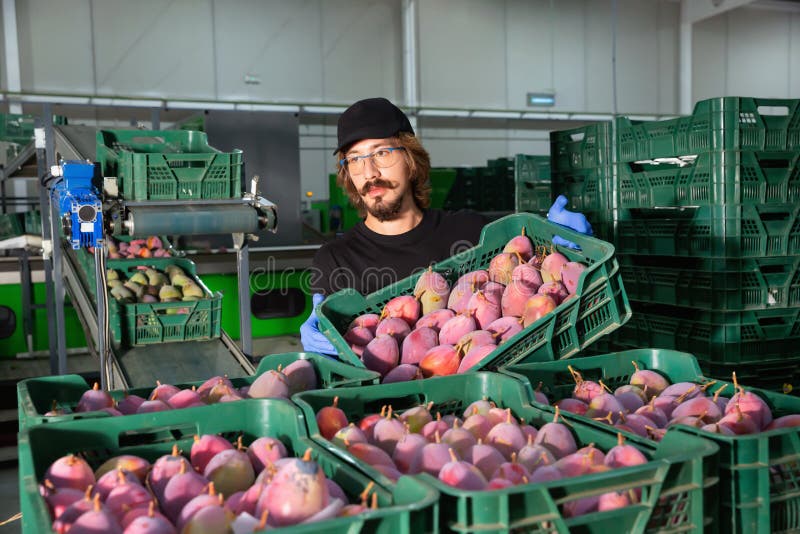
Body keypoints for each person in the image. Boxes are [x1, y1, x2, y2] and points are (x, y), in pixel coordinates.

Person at [300, 97, 591, 355]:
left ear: (410, 157)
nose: (369, 172)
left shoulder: (471, 232)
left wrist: (557, 237)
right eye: (355, 160)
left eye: (381, 153)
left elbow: (529, 263)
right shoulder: (334, 259)